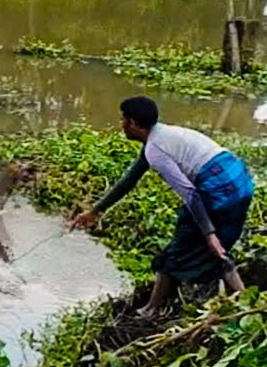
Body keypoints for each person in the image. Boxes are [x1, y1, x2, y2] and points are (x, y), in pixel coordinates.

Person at [71, 95, 254, 318]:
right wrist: (95, 211)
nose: (121, 124)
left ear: (133, 123)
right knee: (218, 252)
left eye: (123, 119)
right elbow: (130, 179)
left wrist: (209, 234)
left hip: (218, 192)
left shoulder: (156, 150)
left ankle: (152, 309)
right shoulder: (162, 134)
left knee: (174, 255)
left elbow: (190, 194)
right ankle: (247, 306)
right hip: (240, 184)